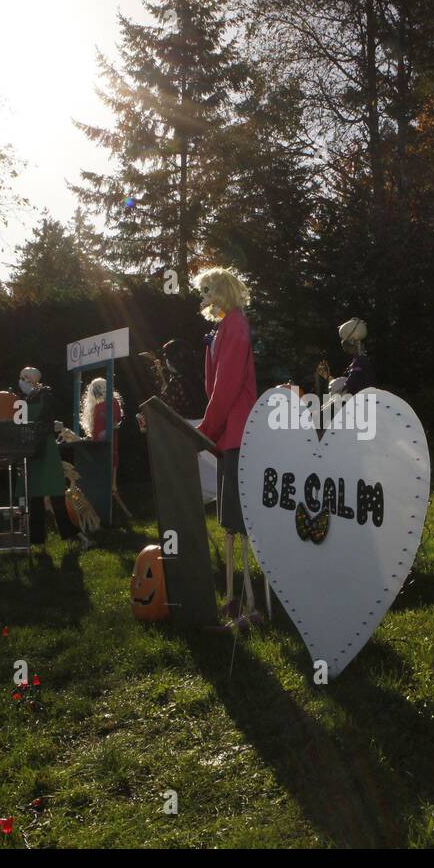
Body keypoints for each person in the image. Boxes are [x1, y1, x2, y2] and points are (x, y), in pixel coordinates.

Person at [195, 268, 263, 627]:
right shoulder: (222, 330)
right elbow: (214, 384)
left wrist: (204, 429)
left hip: (237, 435)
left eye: (207, 289)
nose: (202, 296)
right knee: (230, 524)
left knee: (241, 522)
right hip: (228, 438)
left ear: (221, 292)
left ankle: (251, 604)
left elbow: (227, 387)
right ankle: (236, 599)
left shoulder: (235, 326)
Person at [16, 366, 75, 548]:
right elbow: (19, 424)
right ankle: (37, 540)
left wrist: (46, 428)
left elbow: (47, 422)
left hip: (46, 449)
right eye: (21, 377)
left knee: (56, 492)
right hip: (31, 451)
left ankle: (69, 535)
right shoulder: (21, 401)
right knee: (35, 497)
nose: (22, 381)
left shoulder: (46, 396)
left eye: (26, 378)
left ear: (35, 380)